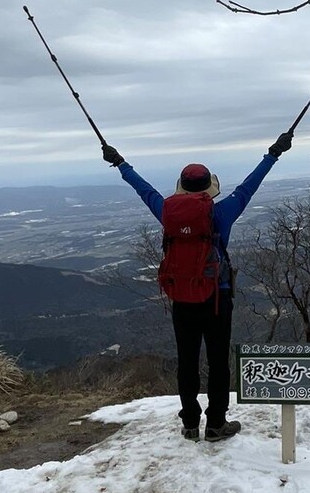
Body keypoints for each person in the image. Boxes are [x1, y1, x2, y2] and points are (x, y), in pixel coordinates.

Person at [101, 132, 294, 440]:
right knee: (218, 362)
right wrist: (273, 154)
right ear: (209, 188)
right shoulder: (220, 213)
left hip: (182, 298)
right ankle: (216, 424)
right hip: (218, 298)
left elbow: (143, 189)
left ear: (181, 187)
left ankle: (190, 423)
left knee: (187, 361)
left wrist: (120, 163)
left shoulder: (167, 212)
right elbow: (249, 187)